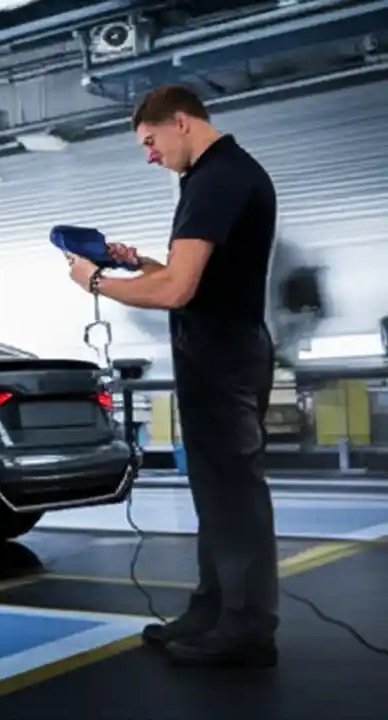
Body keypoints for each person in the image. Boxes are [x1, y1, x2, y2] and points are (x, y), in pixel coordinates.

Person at [64, 84, 280, 667]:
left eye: (150, 141)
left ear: (180, 122)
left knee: (232, 493)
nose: (149, 155)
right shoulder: (217, 176)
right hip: (222, 346)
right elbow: (193, 278)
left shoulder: (217, 178)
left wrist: (94, 281)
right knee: (215, 490)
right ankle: (213, 606)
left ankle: (247, 627)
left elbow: (178, 291)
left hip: (222, 354)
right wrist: (141, 266)